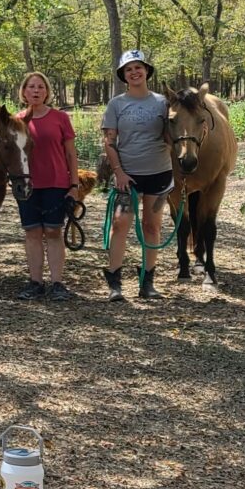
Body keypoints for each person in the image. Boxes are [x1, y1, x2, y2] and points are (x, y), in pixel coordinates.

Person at [101, 49, 173, 301]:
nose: (134, 72)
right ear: (123, 75)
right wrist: (118, 172)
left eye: (138, 67)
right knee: (121, 224)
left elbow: (173, 133)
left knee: (152, 227)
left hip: (159, 173)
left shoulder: (163, 103)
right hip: (128, 175)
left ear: (146, 71)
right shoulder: (117, 104)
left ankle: (147, 281)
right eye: (129, 69)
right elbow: (109, 142)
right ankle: (114, 281)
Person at [14, 71, 78, 302]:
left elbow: (71, 153)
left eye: (41, 87)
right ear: (24, 91)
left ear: (47, 91)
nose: (36, 91)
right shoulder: (16, 120)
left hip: (56, 182)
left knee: (53, 232)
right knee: (32, 232)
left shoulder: (60, 118)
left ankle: (58, 283)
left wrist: (74, 184)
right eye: (31, 87)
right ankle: (35, 282)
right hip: (27, 185)